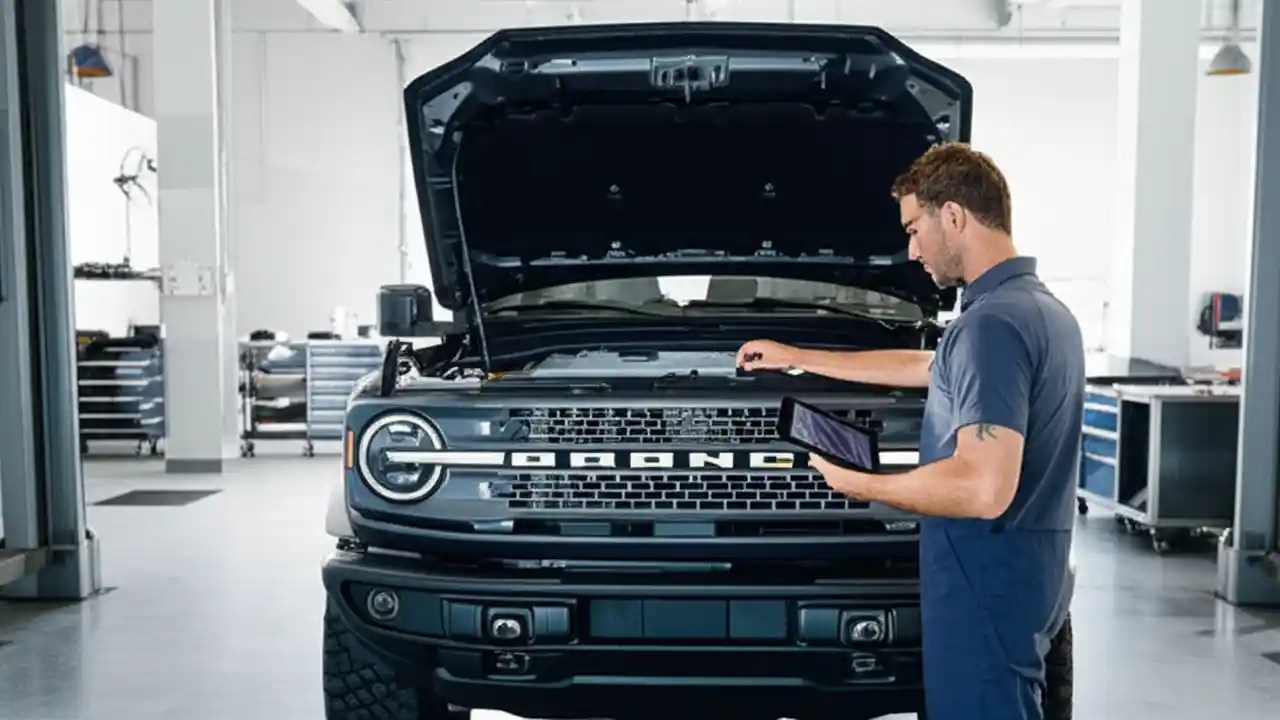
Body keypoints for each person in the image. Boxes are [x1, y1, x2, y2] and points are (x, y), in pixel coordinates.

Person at [737, 143, 1083, 720]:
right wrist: (798, 356)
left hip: (983, 587)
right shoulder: (1039, 312)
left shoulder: (990, 327)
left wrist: (862, 485)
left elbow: (982, 488)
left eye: (914, 229)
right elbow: (929, 366)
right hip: (1031, 578)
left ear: (954, 216)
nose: (912, 250)